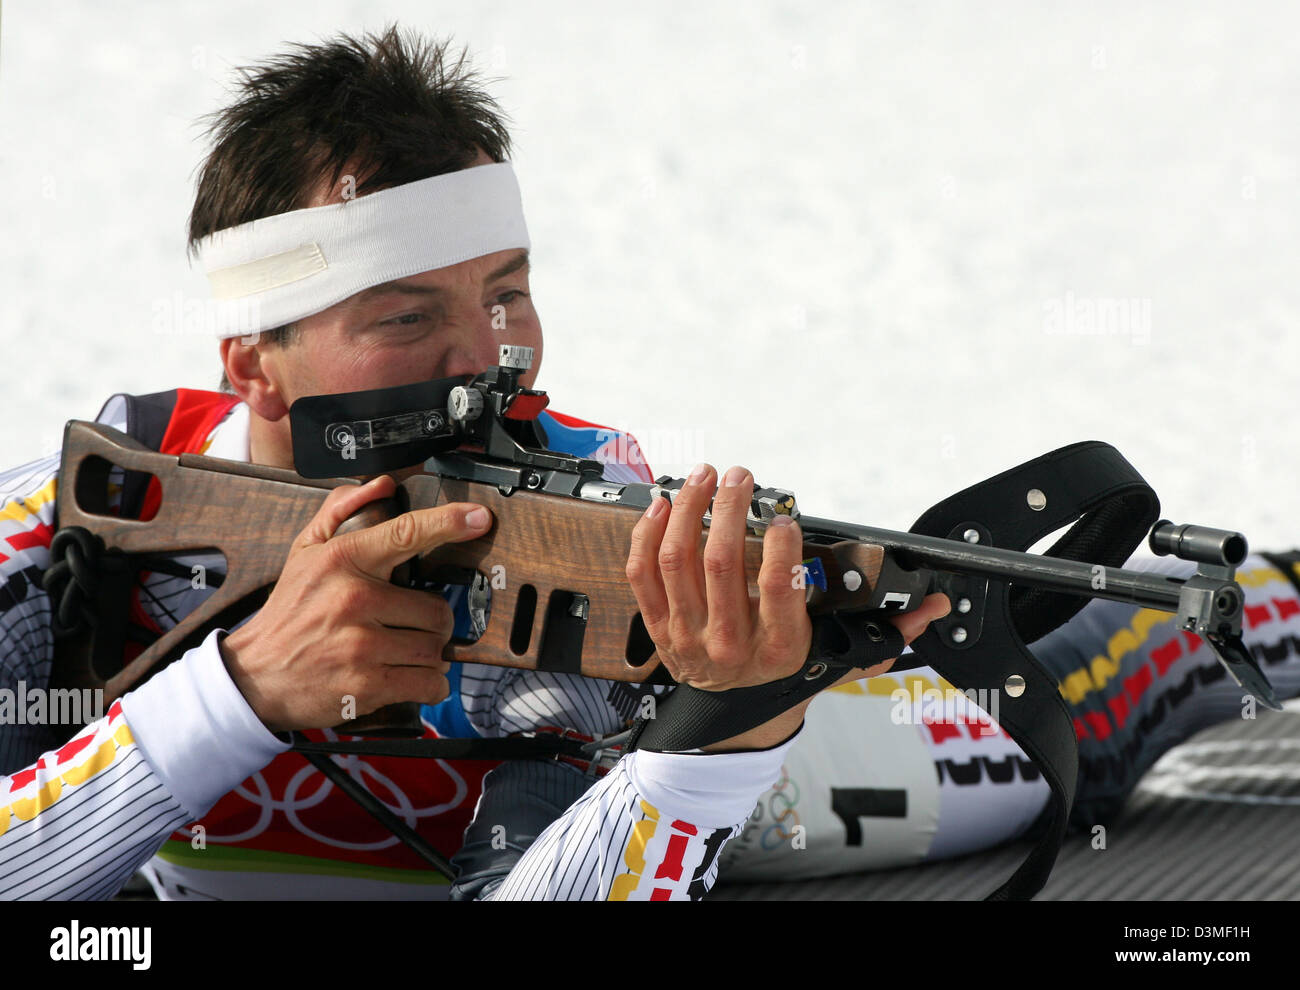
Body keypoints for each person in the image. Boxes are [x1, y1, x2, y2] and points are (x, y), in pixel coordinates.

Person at [3, 27, 1298, 902]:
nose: (487, 366)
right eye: (405, 320)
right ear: (252, 365)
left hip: (729, 800)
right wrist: (238, 689)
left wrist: (720, 728)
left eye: (506, 298)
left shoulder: (587, 508)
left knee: (1104, 685)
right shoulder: (81, 527)